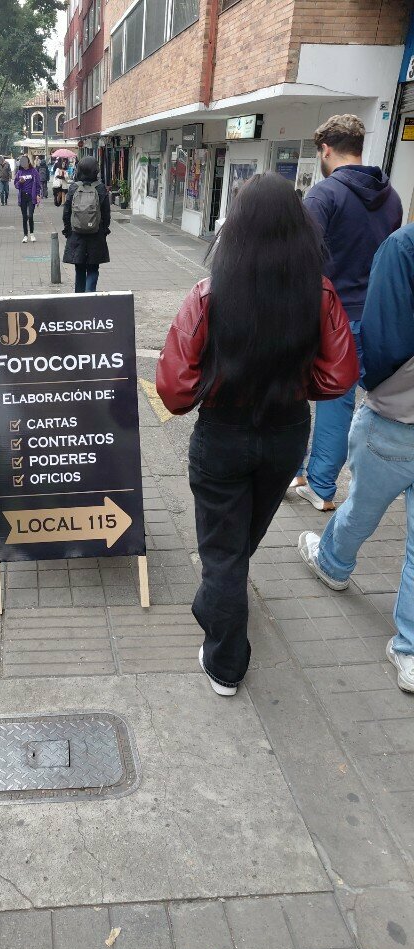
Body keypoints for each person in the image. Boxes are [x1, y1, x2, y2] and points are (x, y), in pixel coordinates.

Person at [156, 173, 359, 697]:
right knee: (239, 542)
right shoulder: (318, 291)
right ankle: (217, 602)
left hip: (222, 432)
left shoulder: (209, 292)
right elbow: (339, 376)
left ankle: (226, 661)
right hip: (287, 431)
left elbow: (175, 390)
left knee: (223, 552)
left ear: (236, 228)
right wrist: (294, 385)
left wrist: (216, 380)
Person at [299, 222, 414, 692]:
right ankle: (409, 650)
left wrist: (359, 373)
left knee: (363, 508)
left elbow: (384, 338)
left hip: (397, 416)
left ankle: (333, 564)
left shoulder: (404, 247)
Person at [292, 114, 402, 511]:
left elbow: (301, 259)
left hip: (328, 313)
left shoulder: (323, 195)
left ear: (325, 150)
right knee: (341, 398)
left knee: (321, 397)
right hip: (371, 312)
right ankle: (308, 472)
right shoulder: (391, 197)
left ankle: (318, 484)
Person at [62, 155, 110, 293]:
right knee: (93, 269)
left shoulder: (73, 188)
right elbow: (106, 214)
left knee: (80, 269)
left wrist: (67, 230)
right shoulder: (101, 188)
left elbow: (66, 213)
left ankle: (79, 301)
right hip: (96, 235)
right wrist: (104, 229)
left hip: (76, 235)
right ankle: (90, 298)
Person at [14, 154, 42, 243]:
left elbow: (38, 184)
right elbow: (16, 185)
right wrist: (20, 182)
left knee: (30, 215)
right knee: (24, 216)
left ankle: (32, 234)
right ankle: (25, 235)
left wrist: (38, 194)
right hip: (22, 196)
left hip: (31, 196)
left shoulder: (34, 171)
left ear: (28, 162)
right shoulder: (19, 172)